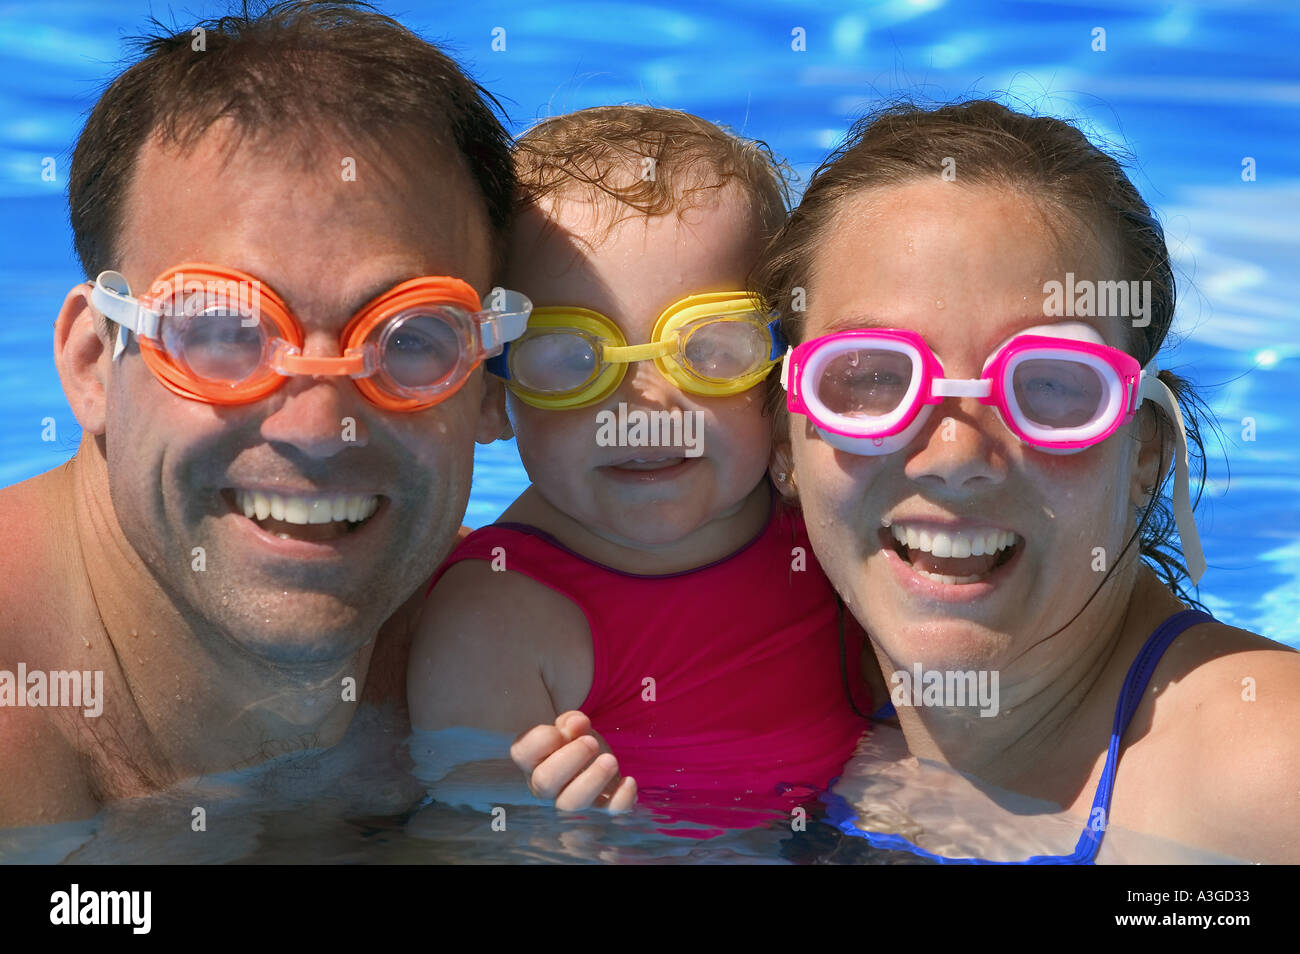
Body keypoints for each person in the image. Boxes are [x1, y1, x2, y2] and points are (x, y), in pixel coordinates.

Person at [0, 1, 523, 829]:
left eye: (409, 337)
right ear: (93, 363)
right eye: (221, 331)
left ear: (488, 388)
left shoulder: (515, 657)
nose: (318, 431)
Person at [757, 99, 1300, 863]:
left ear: (1144, 453)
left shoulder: (1264, 775)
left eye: (1046, 384)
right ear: (785, 439)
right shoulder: (755, 705)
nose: (952, 454)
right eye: (875, 377)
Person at [408, 106, 875, 827]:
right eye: (572, 359)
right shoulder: (498, 620)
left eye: (710, 348)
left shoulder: (826, 517)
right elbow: (474, 840)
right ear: (491, 399)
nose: (644, 404)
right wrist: (565, 844)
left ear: (782, 369)